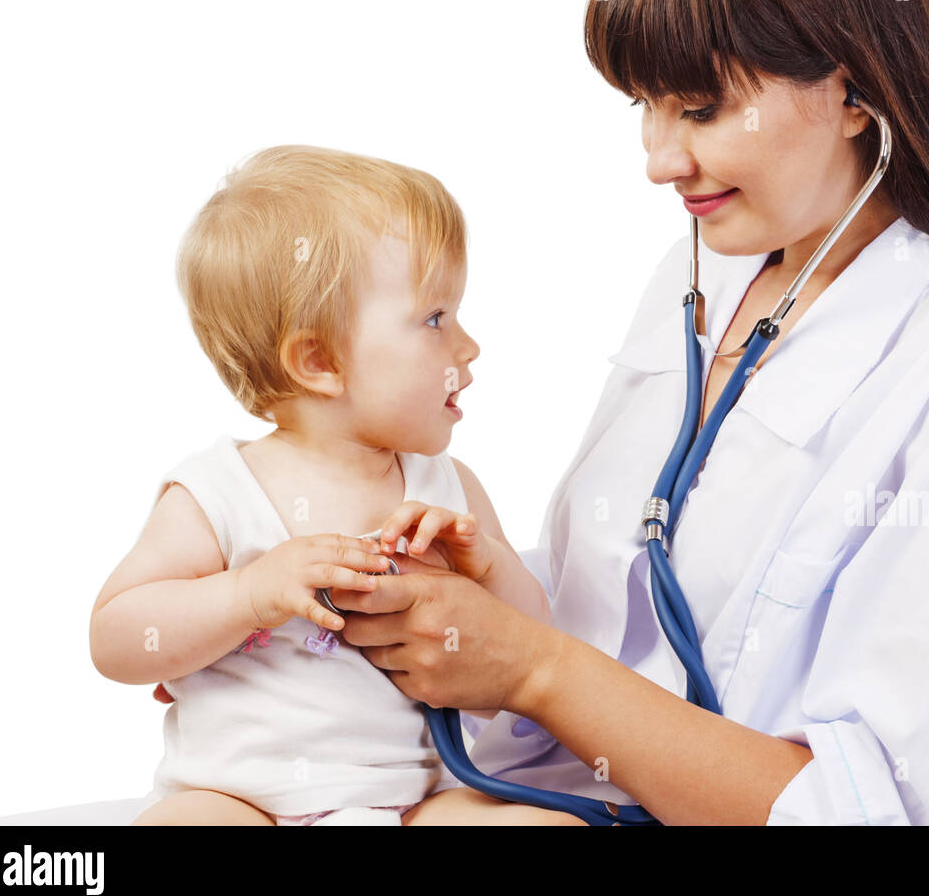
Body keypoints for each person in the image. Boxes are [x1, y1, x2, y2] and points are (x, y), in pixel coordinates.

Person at [335, 0, 929, 826]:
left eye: (700, 107)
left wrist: (532, 668)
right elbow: (630, 623)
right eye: (645, 107)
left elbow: (879, 813)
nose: (660, 160)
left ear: (850, 87)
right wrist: (472, 592)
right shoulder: (699, 277)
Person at [91, 145, 578, 825]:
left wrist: (490, 570)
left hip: (416, 803)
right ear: (318, 360)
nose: (468, 346)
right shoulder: (219, 491)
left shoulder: (449, 488)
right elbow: (116, 637)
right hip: (240, 800)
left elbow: (530, 654)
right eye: (435, 319)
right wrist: (246, 593)